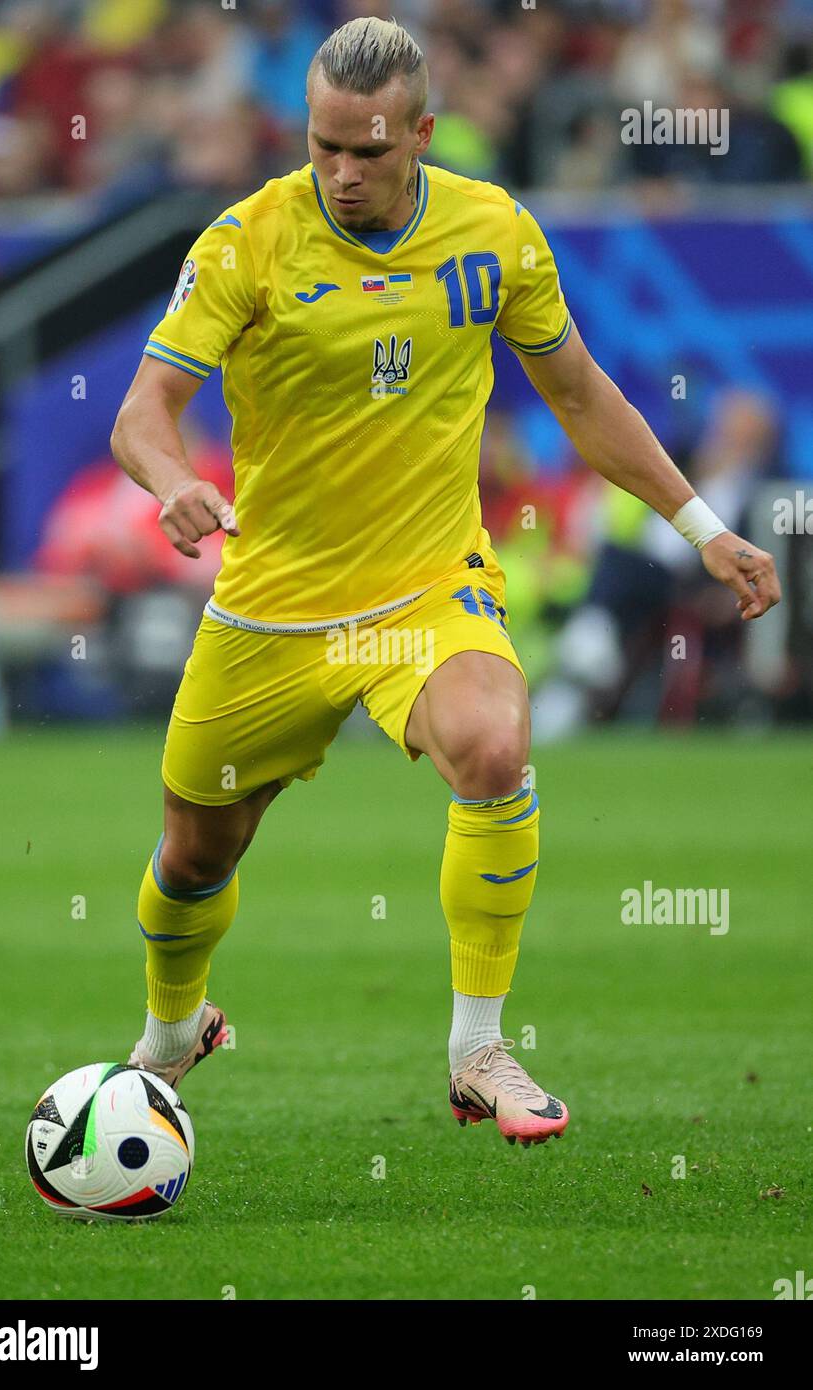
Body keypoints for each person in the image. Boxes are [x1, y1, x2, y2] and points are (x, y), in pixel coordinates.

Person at [109, 16, 780, 1151]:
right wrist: (172, 482)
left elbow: (578, 395)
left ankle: (477, 1048)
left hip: (426, 584)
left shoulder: (492, 231)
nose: (343, 173)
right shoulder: (246, 243)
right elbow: (143, 415)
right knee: (192, 854)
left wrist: (700, 523)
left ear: (424, 131)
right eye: (324, 146)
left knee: (493, 744)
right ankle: (173, 1032)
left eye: (369, 150)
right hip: (272, 602)